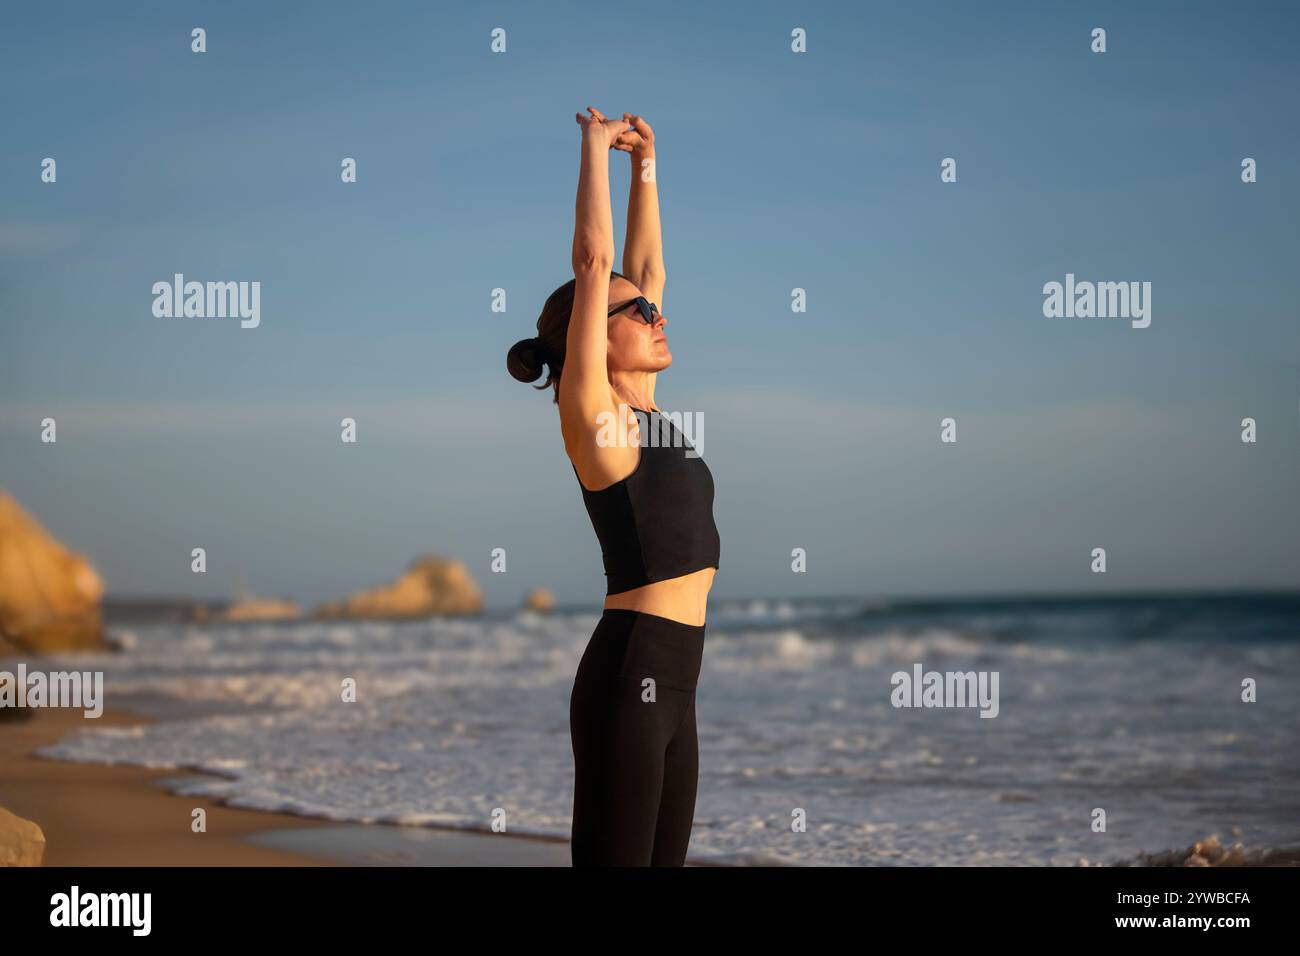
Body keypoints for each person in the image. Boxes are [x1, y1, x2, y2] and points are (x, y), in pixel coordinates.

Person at [506, 108, 721, 866]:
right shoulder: (598, 419)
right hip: (631, 672)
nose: (660, 314)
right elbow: (599, 264)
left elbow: (644, 267)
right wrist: (594, 150)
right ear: (596, 333)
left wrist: (647, 165)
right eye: (641, 313)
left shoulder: (652, 412)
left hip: (680, 680)